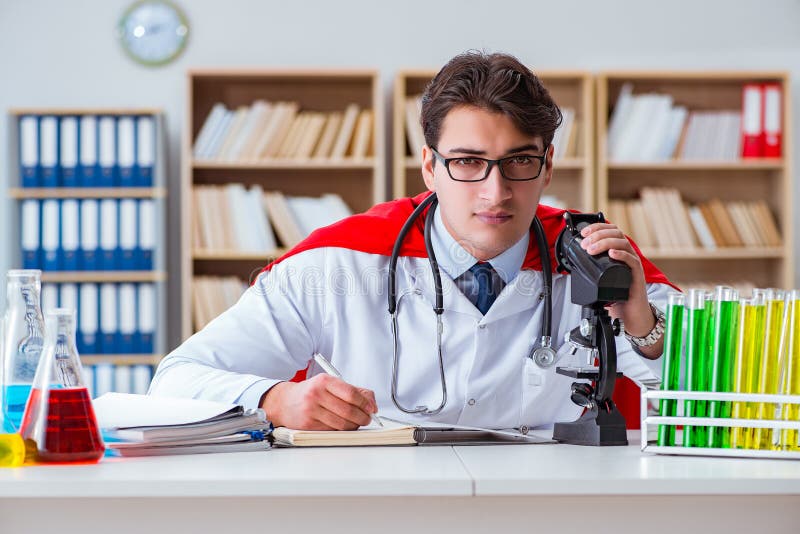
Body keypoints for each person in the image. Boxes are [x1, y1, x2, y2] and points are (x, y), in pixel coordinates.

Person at [150, 51, 678, 431]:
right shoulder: (337, 261)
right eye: (468, 162)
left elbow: (718, 396)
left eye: (519, 161)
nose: (496, 192)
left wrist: (643, 327)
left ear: (547, 168)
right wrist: (271, 398)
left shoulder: (592, 259)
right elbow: (174, 380)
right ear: (429, 166)